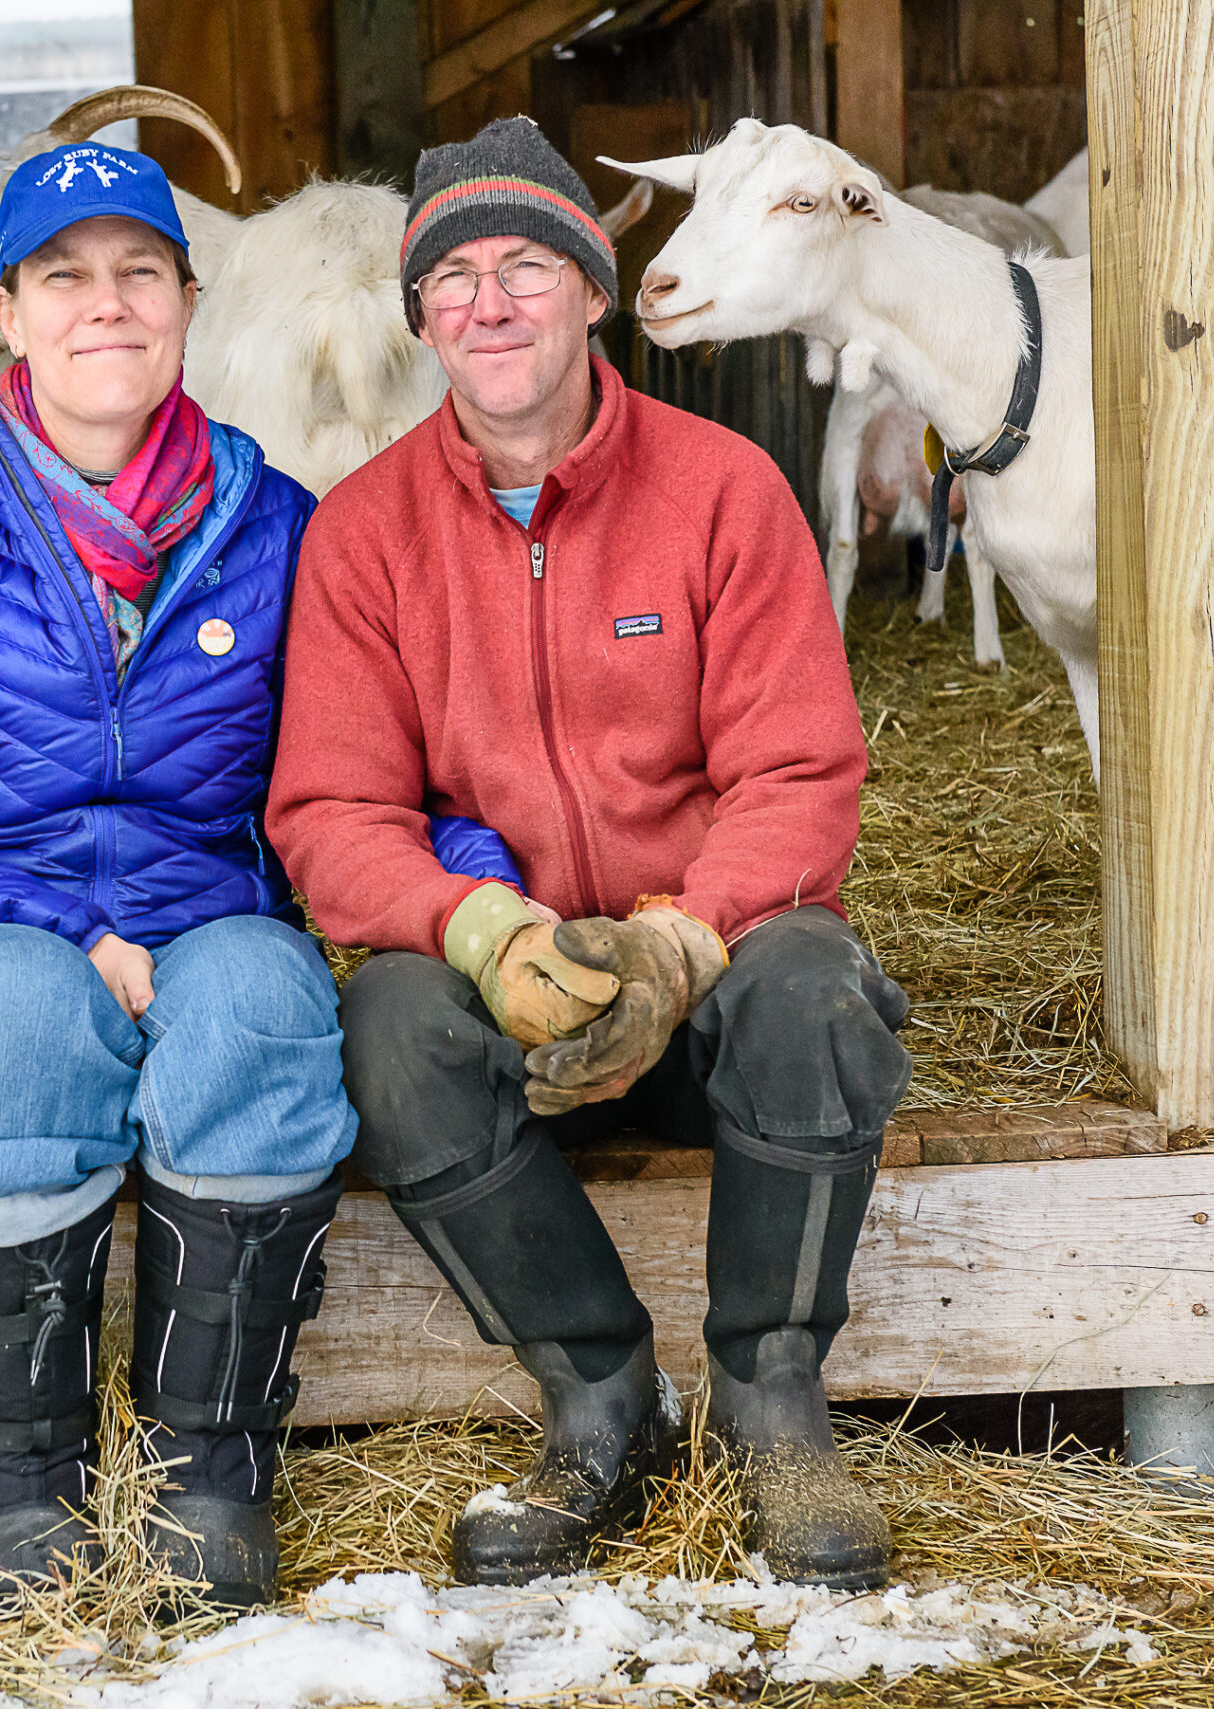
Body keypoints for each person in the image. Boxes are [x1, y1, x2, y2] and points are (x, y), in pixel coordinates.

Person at [267, 117, 913, 1592]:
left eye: (526, 268)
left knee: (816, 980)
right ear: (421, 313)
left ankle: (774, 1399)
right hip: (520, 1007)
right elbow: (329, 814)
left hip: (701, 995)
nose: (487, 305)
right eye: (454, 280)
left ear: (593, 292)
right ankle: (602, 1393)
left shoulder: (723, 489)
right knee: (384, 1021)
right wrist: (485, 932)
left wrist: (686, 935)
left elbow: (801, 772)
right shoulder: (366, 537)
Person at [0, 140, 354, 1612]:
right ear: (5, 311)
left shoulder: (277, 526)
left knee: (264, 1005)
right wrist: (67, 930)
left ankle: (208, 1473)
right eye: (64, 276)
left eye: (139, 271)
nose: (104, 304)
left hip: (202, 931)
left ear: (186, 297)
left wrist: (483, 901)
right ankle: (18, 1486)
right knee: (31, 1016)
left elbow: (367, 775)